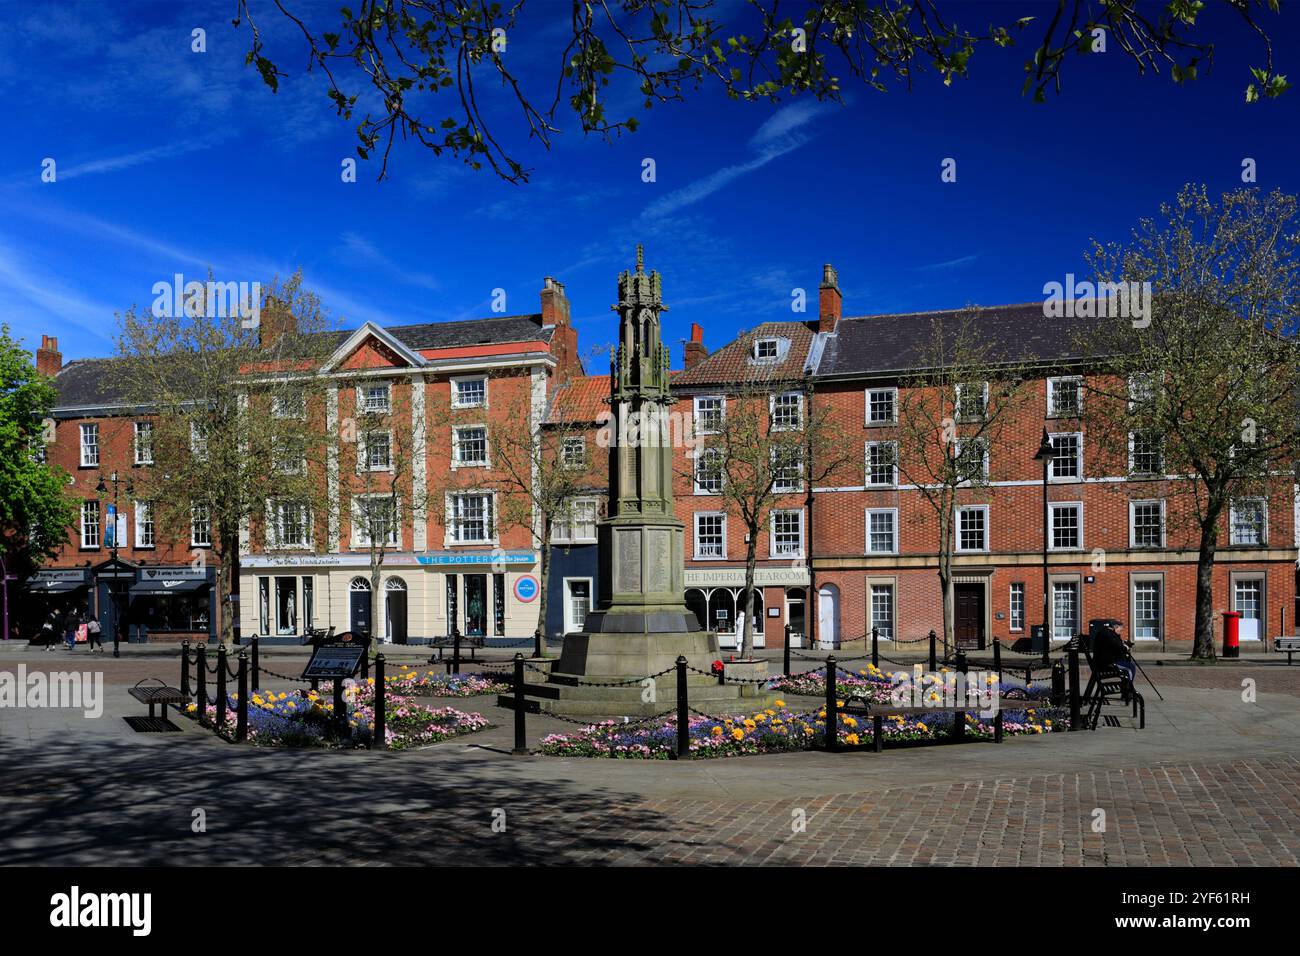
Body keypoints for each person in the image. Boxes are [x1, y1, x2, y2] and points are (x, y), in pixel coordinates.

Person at [1092, 619, 1135, 685]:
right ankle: (1129, 690)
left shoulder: (1105, 633)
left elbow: (1114, 646)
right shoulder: (1109, 634)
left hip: (1101, 662)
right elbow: (1119, 648)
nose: (1120, 632)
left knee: (1127, 666)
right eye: (1120, 630)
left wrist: (1121, 642)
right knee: (1130, 667)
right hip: (1107, 663)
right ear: (1115, 627)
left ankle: (1126, 689)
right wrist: (1126, 647)